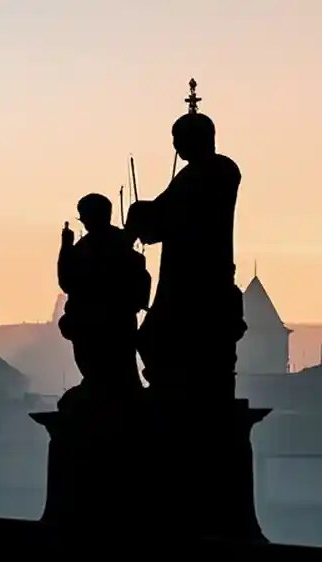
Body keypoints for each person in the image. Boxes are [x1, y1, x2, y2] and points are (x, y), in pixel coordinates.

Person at [126, 92, 245, 403]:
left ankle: (175, 395)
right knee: (154, 339)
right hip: (186, 272)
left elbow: (174, 214)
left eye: (178, 139)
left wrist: (141, 214)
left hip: (197, 276)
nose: (176, 148)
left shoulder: (215, 171)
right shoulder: (196, 174)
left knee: (156, 338)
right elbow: (167, 210)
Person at [57, 194, 150, 409]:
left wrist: (67, 250)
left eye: (86, 217)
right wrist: (66, 248)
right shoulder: (104, 243)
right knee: (96, 359)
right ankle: (98, 385)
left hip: (108, 317)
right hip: (95, 318)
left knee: (113, 361)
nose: (86, 222)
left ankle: (105, 388)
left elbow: (69, 281)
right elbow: (68, 282)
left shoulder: (114, 244)